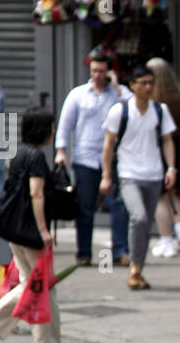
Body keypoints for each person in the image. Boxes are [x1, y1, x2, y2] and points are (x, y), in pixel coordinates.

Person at [0, 107, 69, 343]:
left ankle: (41, 342)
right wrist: (43, 230)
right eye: (51, 127)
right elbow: (35, 193)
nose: (53, 132)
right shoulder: (36, 158)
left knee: (36, 284)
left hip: (15, 230)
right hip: (30, 231)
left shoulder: (19, 154)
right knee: (39, 286)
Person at [100, 66, 177, 290]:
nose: (148, 87)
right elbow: (108, 145)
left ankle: (137, 269)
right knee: (140, 218)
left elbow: (167, 140)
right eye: (142, 83)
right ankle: (134, 267)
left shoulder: (160, 110)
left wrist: (171, 168)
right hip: (128, 174)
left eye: (151, 83)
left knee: (145, 225)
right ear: (132, 85)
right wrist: (106, 175)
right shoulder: (119, 111)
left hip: (154, 175)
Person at [55, 46, 131, 266]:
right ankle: (84, 252)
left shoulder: (117, 94)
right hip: (85, 158)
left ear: (108, 72)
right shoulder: (78, 94)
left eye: (102, 71)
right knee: (84, 208)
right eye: (94, 70)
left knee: (117, 205)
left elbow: (133, 104)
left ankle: (120, 250)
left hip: (112, 158)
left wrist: (116, 86)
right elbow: (65, 124)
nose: (97, 75)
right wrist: (61, 151)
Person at [146, 58, 180, 257]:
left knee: (161, 195)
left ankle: (166, 239)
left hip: (161, 145)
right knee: (173, 190)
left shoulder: (151, 98)